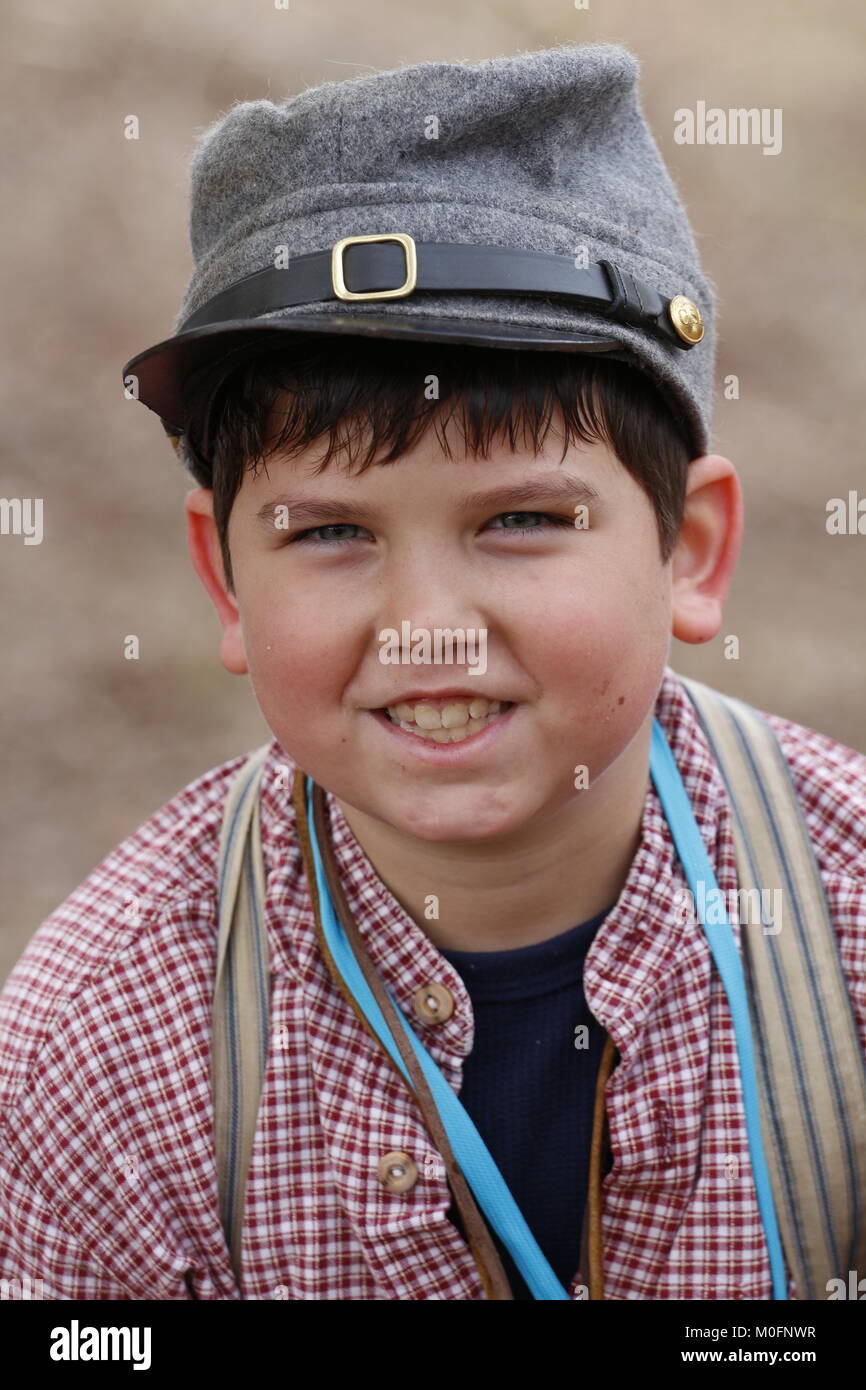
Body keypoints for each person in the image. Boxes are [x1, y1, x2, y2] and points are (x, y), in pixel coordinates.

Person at [1, 42, 864, 1301]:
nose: (423, 628)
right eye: (332, 533)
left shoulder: (842, 936)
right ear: (224, 581)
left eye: (519, 520)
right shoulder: (104, 1043)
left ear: (688, 551)